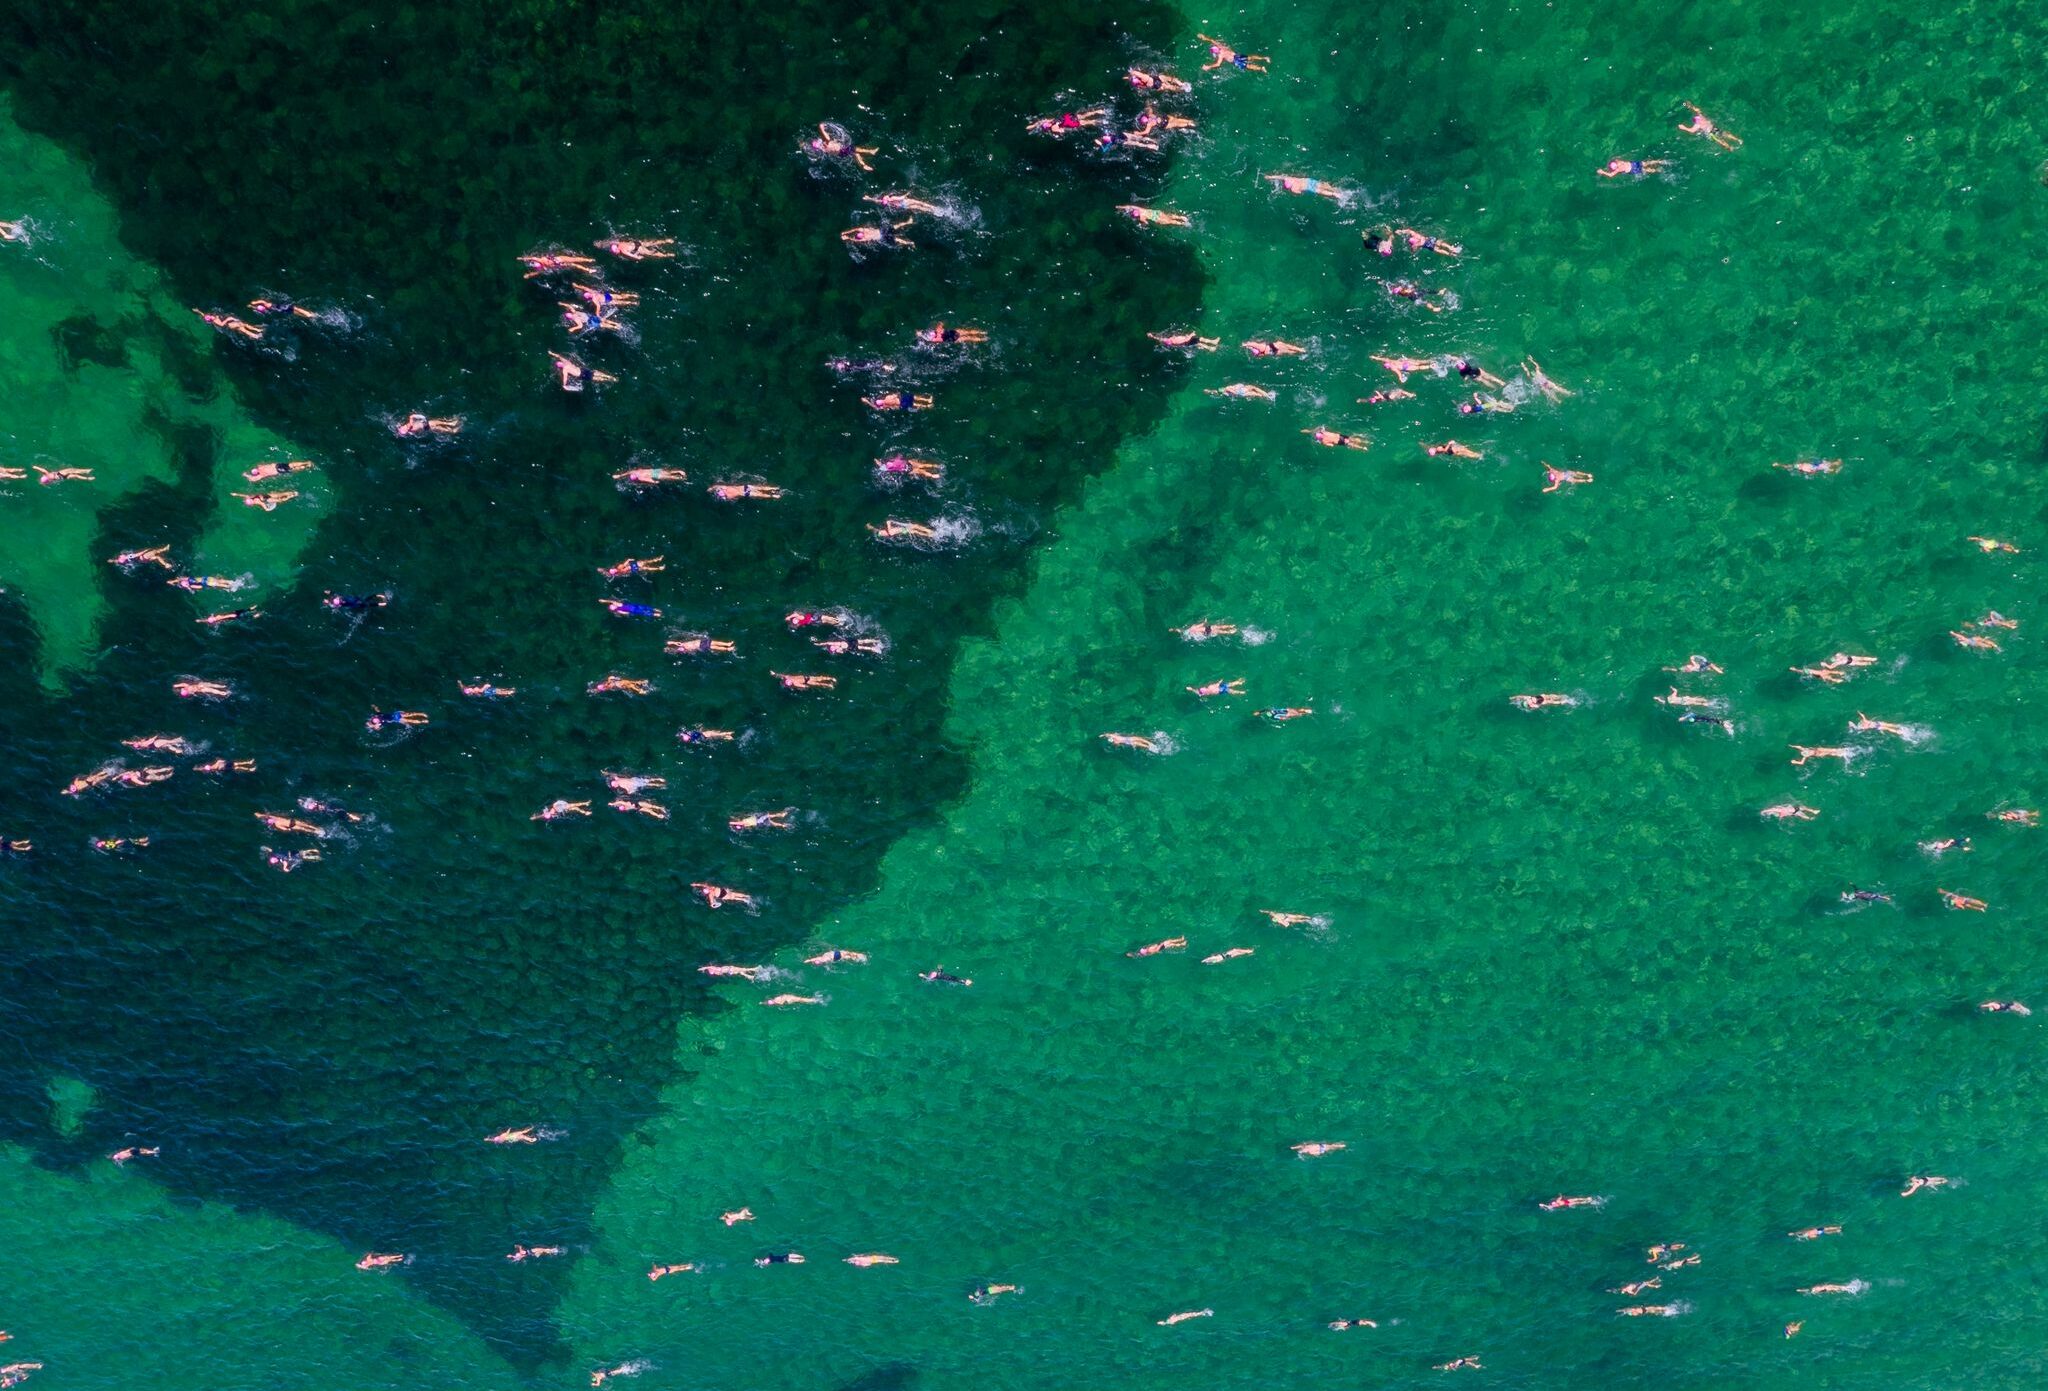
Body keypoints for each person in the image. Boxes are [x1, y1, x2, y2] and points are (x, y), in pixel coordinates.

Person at [805, 123, 877, 170]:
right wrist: (821, 127)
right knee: (854, 149)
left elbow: (815, 151)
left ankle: (863, 165)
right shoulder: (827, 141)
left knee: (855, 154)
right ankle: (870, 152)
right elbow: (823, 131)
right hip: (842, 150)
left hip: (840, 154)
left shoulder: (823, 150)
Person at [1199, 33, 1268, 71]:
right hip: (1236, 55)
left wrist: (1209, 66)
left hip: (1235, 61)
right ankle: (1264, 58)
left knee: (1248, 66)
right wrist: (1204, 38)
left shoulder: (1220, 55)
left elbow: (1218, 64)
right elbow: (1212, 40)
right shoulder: (1220, 46)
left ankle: (1261, 68)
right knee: (1249, 57)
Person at [552, 352, 617, 392]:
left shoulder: (565, 369)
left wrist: (564, 385)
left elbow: (565, 377)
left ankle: (608, 380)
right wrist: (552, 353)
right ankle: (610, 377)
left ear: (560, 367)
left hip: (581, 375)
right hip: (583, 370)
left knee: (594, 378)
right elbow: (559, 356)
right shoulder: (566, 362)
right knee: (594, 372)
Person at [520, 250, 599, 279]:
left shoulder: (543, 266)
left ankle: (588, 266)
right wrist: (521, 258)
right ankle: (588, 263)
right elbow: (532, 259)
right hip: (558, 261)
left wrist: (528, 275)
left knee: (574, 263)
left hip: (558, 263)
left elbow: (536, 272)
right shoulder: (542, 262)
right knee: (574, 261)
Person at [1265, 173, 1344, 201]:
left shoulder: (1293, 189)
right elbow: (1280, 177)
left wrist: (1294, 193)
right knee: (1322, 185)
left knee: (1320, 191)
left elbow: (1299, 193)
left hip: (1308, 188)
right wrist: (1270, 177)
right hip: (1309, 181)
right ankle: (1335, 189)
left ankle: (1334, 194)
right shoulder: (1289, 178)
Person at [1027, 109, 1109, 136]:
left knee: (1086, 122)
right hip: (1068, 118)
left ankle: (1101, 121)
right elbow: (1040, 122)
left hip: (1069, 122)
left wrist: (1061, 132)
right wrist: (1033, 125)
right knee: (1083, 116)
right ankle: (1098, 112)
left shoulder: (1052, 128)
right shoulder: (1051, 122)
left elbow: (1062, 131)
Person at [842, 219, 916, 248]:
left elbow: (856, 239)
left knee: (897, 239)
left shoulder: (865, 238)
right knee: (896, 227)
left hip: (882, 235)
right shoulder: (864, 231)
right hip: (882, 231)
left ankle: (910, 243)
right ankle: (908, 222)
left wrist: (847, 237)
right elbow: (855, 229)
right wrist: (846, 233)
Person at [195, 308, 264, 340]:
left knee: (244, 326)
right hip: (229, 325)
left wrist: (198, 311)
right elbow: (222, 325)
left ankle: (257, 332)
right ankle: (256, 335)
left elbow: (204, 315)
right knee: (242, 326)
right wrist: (228, 319)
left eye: (208, 315)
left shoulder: (212, 316)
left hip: (230, 323)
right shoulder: (215, 321)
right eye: (209, 317)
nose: (210, 316)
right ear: (210, 319)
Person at [1396, 227, 1463, 257]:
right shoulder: (1415, 235)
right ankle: (1451, 248)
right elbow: (1409, 230)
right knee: (1440, 243)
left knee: (1438, 249)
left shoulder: (1415, 244)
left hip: (1427, 245)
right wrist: (1401, 231)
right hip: (1429, 239)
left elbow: (1414, 251)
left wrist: (1413, 249)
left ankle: (1450, 254)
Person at [595, 236, 677, 260]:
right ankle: (667, 241)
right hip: (636, 243)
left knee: (651, 253)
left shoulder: (623, 251)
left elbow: (631, 255)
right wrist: (603, 243)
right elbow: (612, 242)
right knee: (651, 243)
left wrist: (638, 257)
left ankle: (667, 255)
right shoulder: (619, 244)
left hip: (638, 249)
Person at [876, 454, 944, 481]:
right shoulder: (895, 459)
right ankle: (935, 466)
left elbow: (881, 466)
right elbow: (900, 456)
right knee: (922, 466)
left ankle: (932, 475)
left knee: (921, 471)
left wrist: (875, 460)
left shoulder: (888, 466)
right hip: (908, 464)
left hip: (907, 469)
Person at [244, 458, 317, 482]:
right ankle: (306, 462)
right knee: (291, 465)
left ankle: (305, 467)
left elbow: (253, 479)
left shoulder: (261, 475)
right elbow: (260, 464)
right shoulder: (260, 467)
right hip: (278, 465)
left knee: (293, 469)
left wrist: (246, 475)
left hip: (279, 470)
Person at [1117, 205, 1191, 228]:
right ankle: (1181, 217)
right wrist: (1120, 207)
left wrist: (1142, 225)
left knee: (1169, 221)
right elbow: (1130, 206)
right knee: (1168, 216)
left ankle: (1182, 224)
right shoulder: (1140, 209)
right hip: (1157, 213)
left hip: (1156, 218)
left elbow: (1146, 223)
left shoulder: (1141, 218)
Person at [870, 193, 945, 215]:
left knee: (918, 207)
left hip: (903, 206)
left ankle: (932, 211)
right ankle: (933, 208)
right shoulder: (892, 198)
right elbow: (901, 198)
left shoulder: (888, 204)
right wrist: (907, 194)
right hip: (904, 202)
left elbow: (878, 201)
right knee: (919, 203)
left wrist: (869, 199)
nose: (885, 196)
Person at [1128, 67, 1193, 93]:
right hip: (1153, 79)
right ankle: (1181, 84)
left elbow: (1143, 88)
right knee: (1169, 78)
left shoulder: (1138, 85)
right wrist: (1131, 72)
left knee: (1169, 87)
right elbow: (1134, 72)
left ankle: (1181, 89)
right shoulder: (1143, 77)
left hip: (1154, 86)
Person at [614, 466, 689, 487]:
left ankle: (682, 478)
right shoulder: (634, 472)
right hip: (654, 471)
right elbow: (626, 473)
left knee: (670, 477)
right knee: (668, 472)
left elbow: (648, 480)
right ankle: (679, 471)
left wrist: (654, 482)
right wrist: (619, 476)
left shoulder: (640, 478)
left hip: (656, 476)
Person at [1150, 328, 1219, 351]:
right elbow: (1185, 340)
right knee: (1199, 343)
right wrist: (1191, 335)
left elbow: (1160, 339)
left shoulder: (1168, 340)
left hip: (1186, 341)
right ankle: (1211, 349)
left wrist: (1152, 336)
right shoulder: (1175, 341)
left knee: (1201, 338)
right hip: (1187, 342)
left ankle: (1213, 342)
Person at [1304, 425, 1368, 450]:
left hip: (1339, 442)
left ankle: (1363, 448)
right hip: (1340, 436)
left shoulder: (1323, 441)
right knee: (1352, 439)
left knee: (1350, 444)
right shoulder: (1324, 432)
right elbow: (1322, 428)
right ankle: (1365, 441)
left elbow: (1331, 445)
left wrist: (1321, 443)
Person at [917, 322, 987, 345]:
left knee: (968, 338)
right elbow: (941, 324)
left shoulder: (933, 340)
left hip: (953, 339)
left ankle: (983, 339)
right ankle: (982, 332)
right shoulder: (937, 330)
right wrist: (940, 324)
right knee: (967, 332)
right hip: (953, 332)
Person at [666, 633, 736, 655]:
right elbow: (687, 651)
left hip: (700, 642)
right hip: (699, 645)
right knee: (713, 646)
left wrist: (674, 642)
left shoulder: (678, 644)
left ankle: (727, 645)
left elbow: (668, 642)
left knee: (713, 643)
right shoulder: (680, 649)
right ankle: (727, 648)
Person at [1598, 157, 1672, 178]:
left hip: (1633, 170)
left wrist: (1602, 172)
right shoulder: (1619, 161)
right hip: (1633, 164)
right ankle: (1660, 161)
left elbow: (1610, 175)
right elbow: (1616, 158)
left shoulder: (1618, 169)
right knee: (1647, 163)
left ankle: (1658, 170)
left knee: (1646, 170)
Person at [600, 556, 664, 580]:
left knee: (645, 566)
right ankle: (658, 563)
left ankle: (659, 565)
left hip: (633, 568)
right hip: (632, 567)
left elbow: (625, 567)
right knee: (645, 564)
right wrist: (629, 560)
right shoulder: (619, 569)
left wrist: (628, 560)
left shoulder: (618, 573)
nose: (614, 569)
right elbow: (625, 564)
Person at [869, 519, 937, 541]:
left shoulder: (880, 533)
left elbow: (876, 530)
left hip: (901, 530)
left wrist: (870, 527)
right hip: (902, 529)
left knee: (915, 531)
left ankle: (928, 534)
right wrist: (888, 524)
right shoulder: (885, 532)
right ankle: (929, 532)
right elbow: (890, 532)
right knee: (916, 527)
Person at [863, 391, 933, 412]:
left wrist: (867, 402)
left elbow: (875, 407)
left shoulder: (884, 406)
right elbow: (897, 395)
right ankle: (927, 401)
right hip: (901, 399)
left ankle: (927, 405)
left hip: (901, 404)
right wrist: (897, 393)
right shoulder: (888, 397)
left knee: (913, 404)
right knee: (914, 398)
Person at [588, 674, 654, 696]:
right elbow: (611, 680)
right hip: (618, 685)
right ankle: (639, 690)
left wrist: (613, 679)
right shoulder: (608, 686)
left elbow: (611, 678)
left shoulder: (608, 683)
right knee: (629, 685)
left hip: (618, 684)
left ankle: (640, 684)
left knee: (628, 682)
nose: (605, 685)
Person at [1788, 744, 1853, 766]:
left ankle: (1839, 751)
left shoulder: (1804, 750)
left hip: (1817, 750)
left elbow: (1799, 747)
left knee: (1829, 751)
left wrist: (1793, 746)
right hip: (1818, 753)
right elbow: (1802, 763)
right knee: (1829, 753)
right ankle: (1840, 753)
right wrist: (1795, 762)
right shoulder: (1805, 755)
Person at [1205, 383, 1276, 400]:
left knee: (1254, 390)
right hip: (1241, 392)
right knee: (1255, 391)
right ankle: (1268, 396)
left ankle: (1267, 396)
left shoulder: (1225, 392)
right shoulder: (1227, 389)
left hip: (1240, 391)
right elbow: (1235, 392)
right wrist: (1237, 387)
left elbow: (1214, 392)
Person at [1773, 458, 1841, 476]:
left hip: (1812, 467)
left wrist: (1837, 470)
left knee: (1791, 467)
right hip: (1813, 466)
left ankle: (1778, 465)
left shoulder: (1828, 468)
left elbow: (1832, 472)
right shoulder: (1828, 464)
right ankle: (1778, 465)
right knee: (1793, 467)